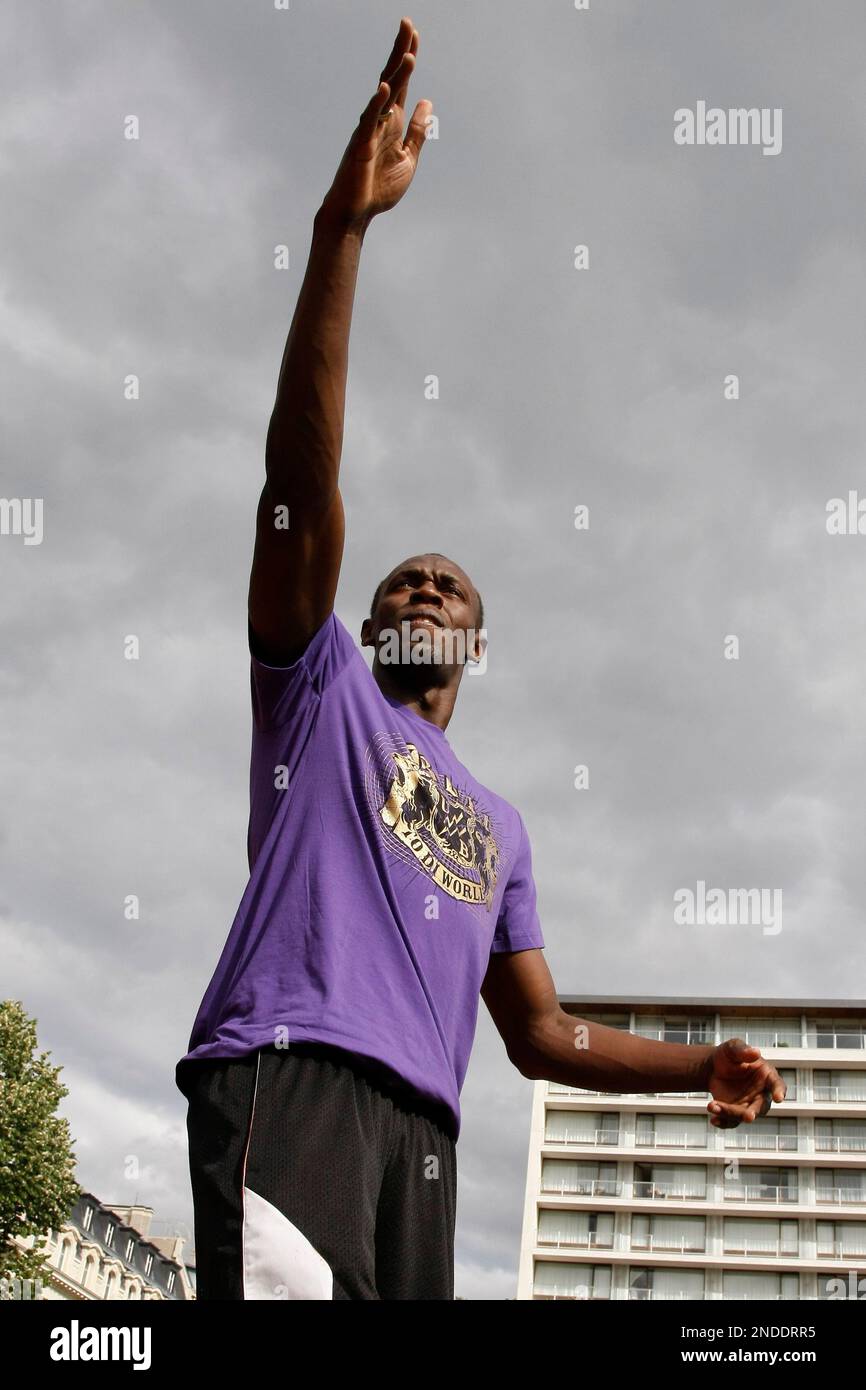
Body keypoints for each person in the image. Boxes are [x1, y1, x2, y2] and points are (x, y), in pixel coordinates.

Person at [175, 16, 786, 1301]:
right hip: (294, 1074)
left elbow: (544, 1031)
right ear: (366, 619)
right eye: (403, 577)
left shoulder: (501, 828)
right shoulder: (319, 691)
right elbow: (298, 483)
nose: (423, 584)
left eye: (447, 584)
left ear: (473, 641)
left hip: (426, 1141)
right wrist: (341, 231)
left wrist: (699, 1065)